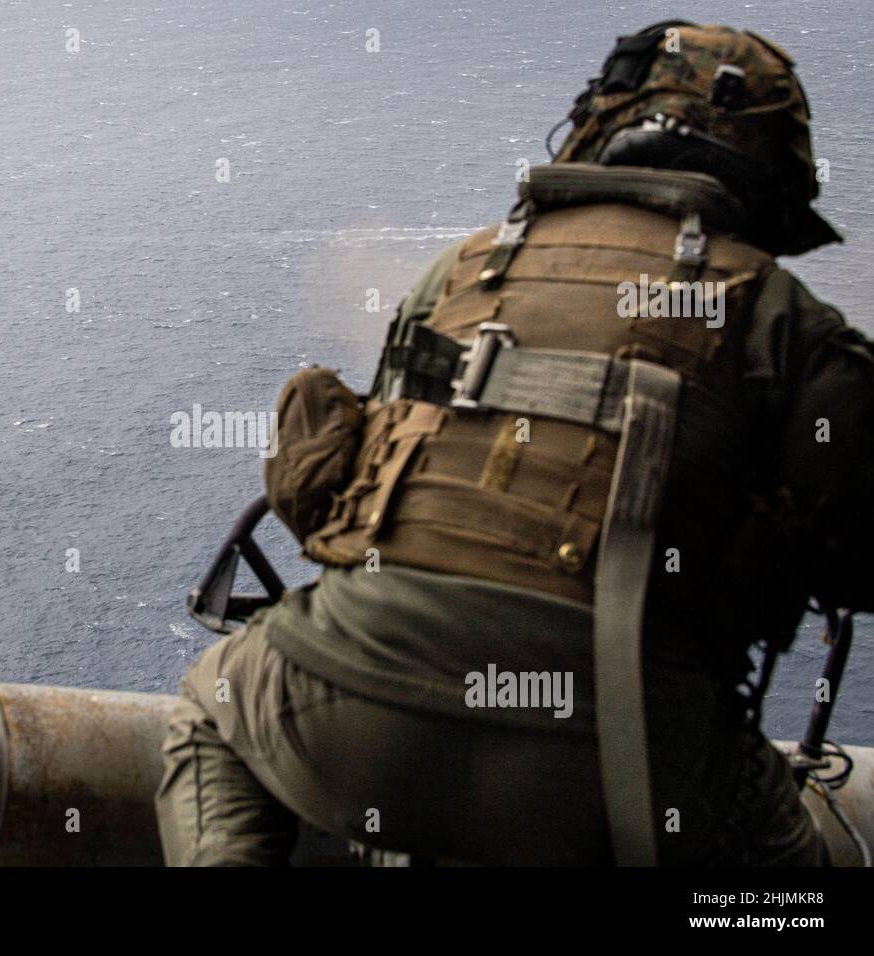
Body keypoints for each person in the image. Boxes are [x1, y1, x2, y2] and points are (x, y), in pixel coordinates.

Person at [155, 21, 874, 865]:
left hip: (354, 719)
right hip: (630, 767)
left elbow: (354, 489)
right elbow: (851, 560)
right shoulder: (790, 323)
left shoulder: (465, 270)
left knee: (211, 710)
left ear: (604, 128)